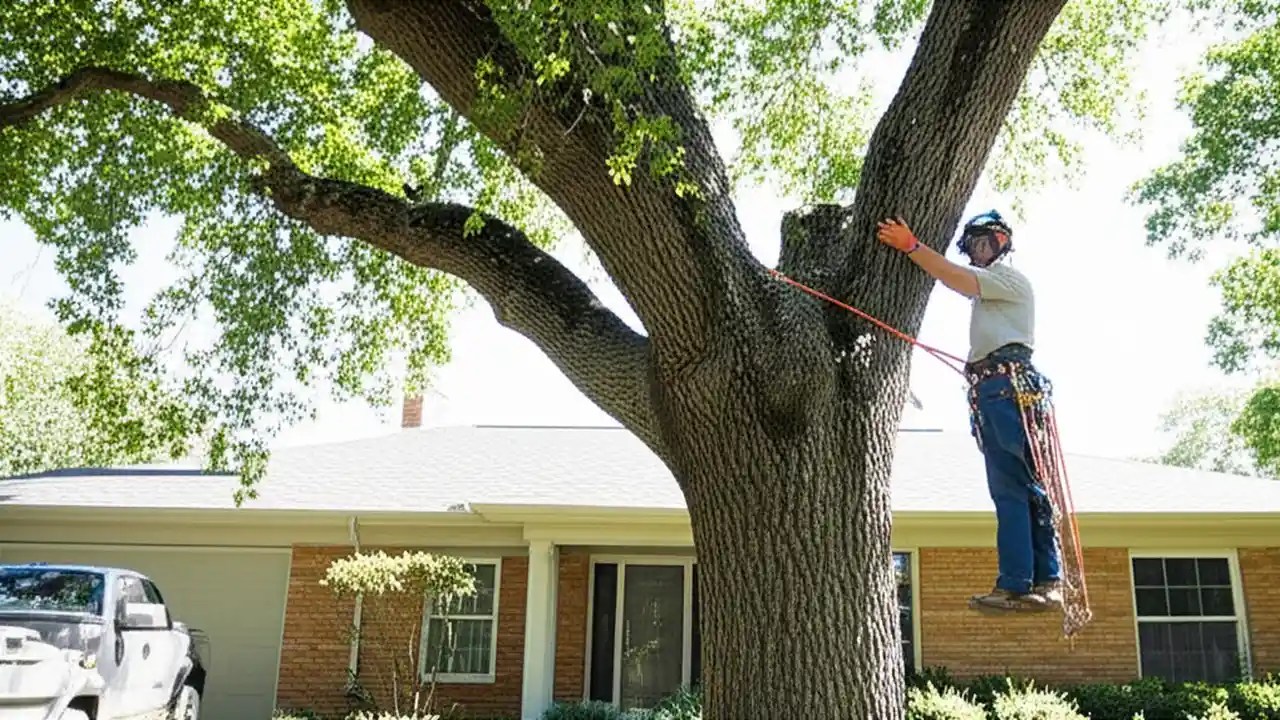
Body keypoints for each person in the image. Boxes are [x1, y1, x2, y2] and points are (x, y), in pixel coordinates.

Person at [876, 211, 1063, 613]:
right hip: (993, 390)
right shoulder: (993, 293)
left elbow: (954, 277)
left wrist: (910, 245)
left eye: (984, 243)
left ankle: (1040, 579)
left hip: (1008, 389)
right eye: (973, 246)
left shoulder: (1009, 279)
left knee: (1021, 488)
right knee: (1013, 489)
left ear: (1002, 242)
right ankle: (1025, 582)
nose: (978, 252)